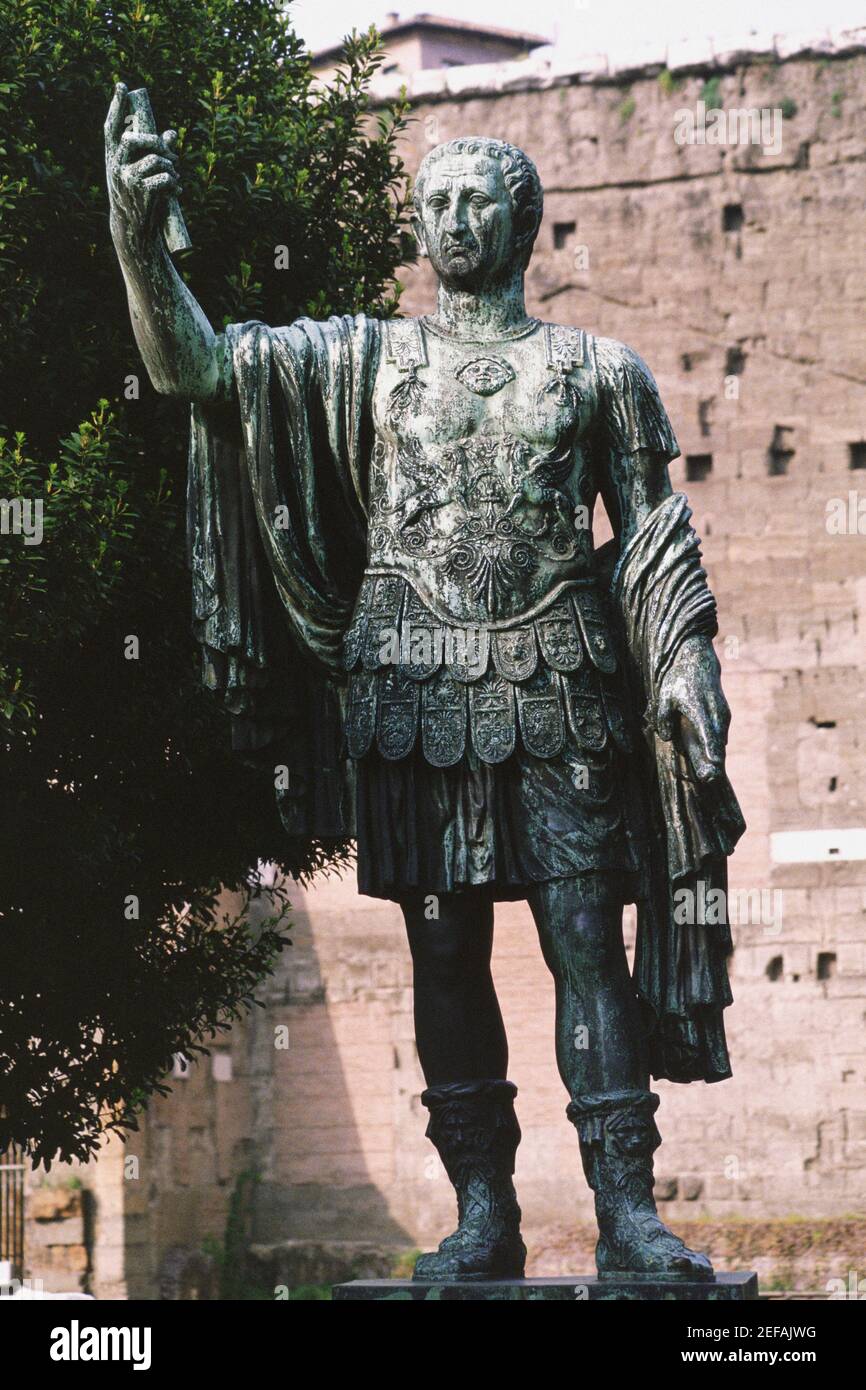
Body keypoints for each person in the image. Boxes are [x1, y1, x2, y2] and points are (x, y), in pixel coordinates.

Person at [106, 86, 745, 1283]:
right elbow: (197, 373)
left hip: (562, 685)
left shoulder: (598, 370)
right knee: (442, 955)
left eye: (477, 201)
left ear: (522, 222)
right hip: (410, 690)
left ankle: (627, 1216)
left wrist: (687, 666)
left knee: (583, 945)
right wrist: (140, 239)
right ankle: (481, 1215)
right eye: (434, 201)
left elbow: (659, 537)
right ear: (416, 226)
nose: (453, 220)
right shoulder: (364, 357)